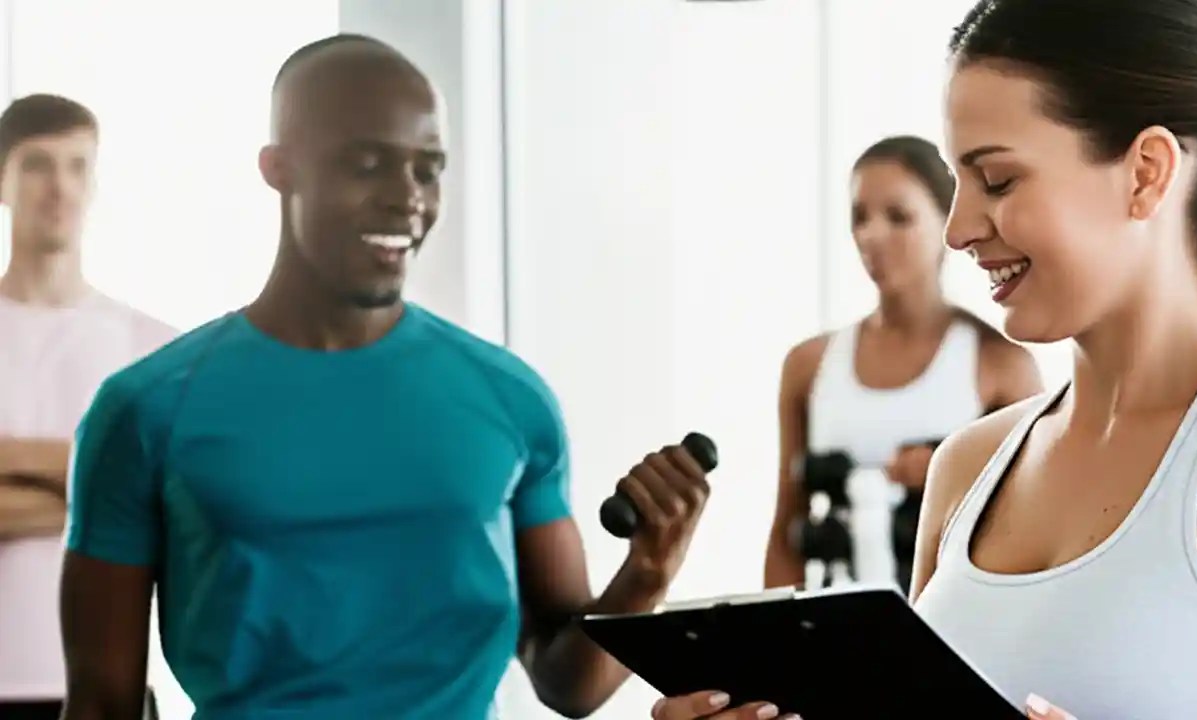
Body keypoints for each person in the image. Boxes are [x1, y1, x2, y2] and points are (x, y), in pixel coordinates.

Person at [58, 35, 712, 720]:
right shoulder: (146, 409)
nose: (408, 199)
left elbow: (567, 681)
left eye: (428, 171)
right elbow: (103, 703)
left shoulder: (511, 400)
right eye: (367, 165)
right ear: (279, 168)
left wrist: (648, 570)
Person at [657, 0, 1197, 717]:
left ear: (1145, 173)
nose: (957, 230)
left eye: (999, 180)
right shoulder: (969, 468)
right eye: (957, 182)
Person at [764, 136, 1041, 593]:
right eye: (860, 217)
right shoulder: (808, 365)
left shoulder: (1001, 365)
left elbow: (1029, 530)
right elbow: (785, 530)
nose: (872, 235)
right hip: (832, 627)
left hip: (948, 626)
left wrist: (947, 475)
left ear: (946, 224)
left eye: (898, 217)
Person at [0, 94, 175, 720]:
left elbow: (169, 509)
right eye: (39, 165)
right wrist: (102, 485)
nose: (60, 187)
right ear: (3, 181)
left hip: (113, 692)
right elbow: (134, 495)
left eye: (77, 166)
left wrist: (12, 458)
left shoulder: (152, 347)